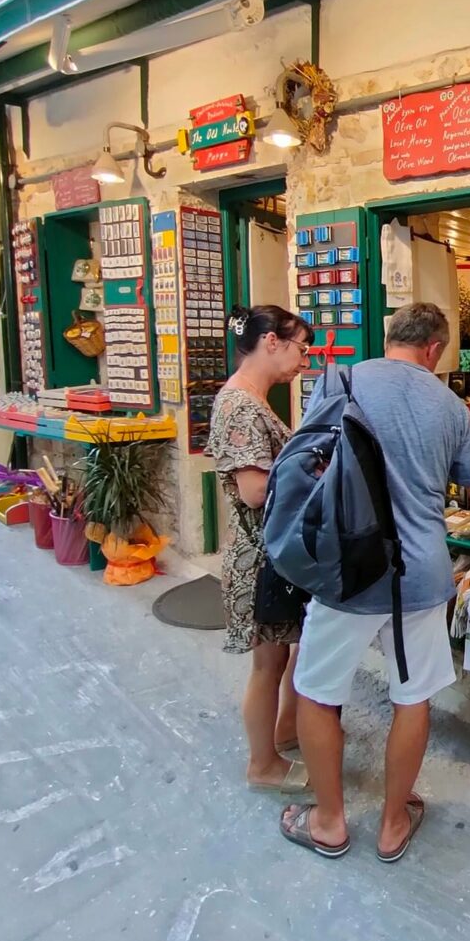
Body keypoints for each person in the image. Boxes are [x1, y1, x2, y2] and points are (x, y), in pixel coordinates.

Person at [281, 302, 470, 862]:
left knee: (317, 692)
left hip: (346, 569)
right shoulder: (450, 406)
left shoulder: (341, 381)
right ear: (434, 349)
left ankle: (329, 822)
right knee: (412, 697)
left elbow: (306, 464)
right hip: (419, 574)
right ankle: (393, 822)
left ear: (390, 338)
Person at [205, 303, 315, 794]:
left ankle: (286, 732)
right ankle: (262, 763)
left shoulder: (250, 399)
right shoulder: (242, 406)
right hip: (258, 556)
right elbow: (254, 490)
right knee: (267, 665)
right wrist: (311, 474)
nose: (303, 362)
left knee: (280, 657)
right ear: (271, 341)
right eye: (300, 349)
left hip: (270, 553)